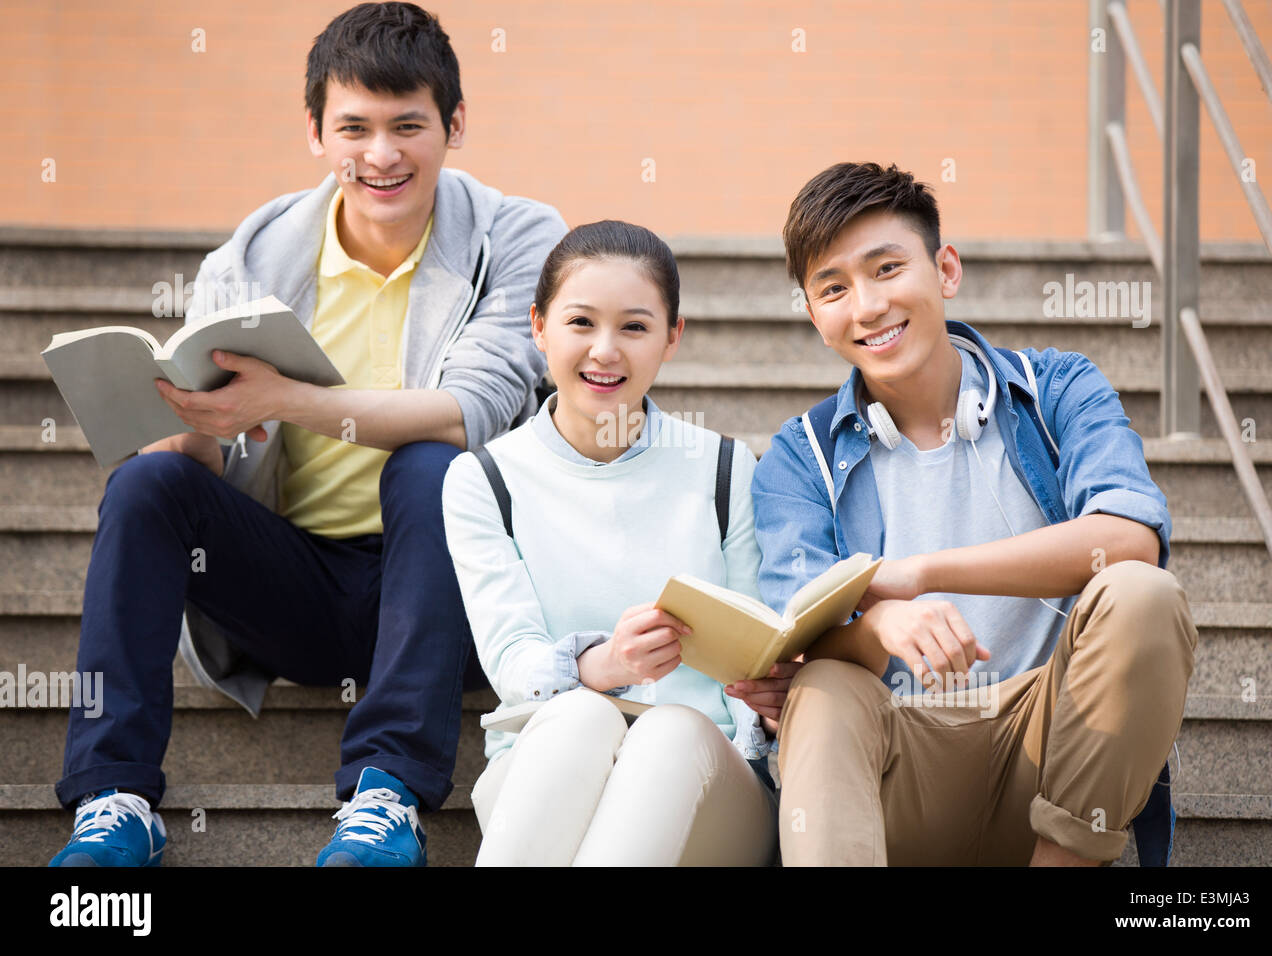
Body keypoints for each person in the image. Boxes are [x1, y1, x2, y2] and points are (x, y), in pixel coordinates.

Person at [48, 2, 567, 867]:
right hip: (294, 589)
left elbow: (466, 410)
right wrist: (185, 427)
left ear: (456, 124)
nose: (381, 155)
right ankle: (114, 800)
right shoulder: (249, 258)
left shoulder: (517, 238)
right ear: (317, 134)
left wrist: (283, 398)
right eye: (354, 127)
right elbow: (208, 465)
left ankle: (387, 795)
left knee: (430, 464)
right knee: (146, 486)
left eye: (409, 126)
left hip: (456, 592)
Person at [752, 161, 1198, 866]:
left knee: (1143, 595)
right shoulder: (797, 458)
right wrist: (881, 626)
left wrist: (917, 574)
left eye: (887, 268)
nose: (866, 306)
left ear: (946, 269)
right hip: (898, 766)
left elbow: (1128, 539)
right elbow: (795, 646)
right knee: (827, 685)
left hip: (1050, 745)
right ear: (812, 313)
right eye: (833, 288)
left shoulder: (1057, 390)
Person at [441, 220, 789, 866]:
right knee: (581, 717)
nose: (605, 351)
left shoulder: (724, 467)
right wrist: (603, 667)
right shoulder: (483, 478)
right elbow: (511, 659)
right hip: (544, 770)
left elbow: (754, 652)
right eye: (580, 323)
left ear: (672, 337)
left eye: (633, 327)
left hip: (707, 782)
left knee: (669, 733)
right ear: (539, 326)